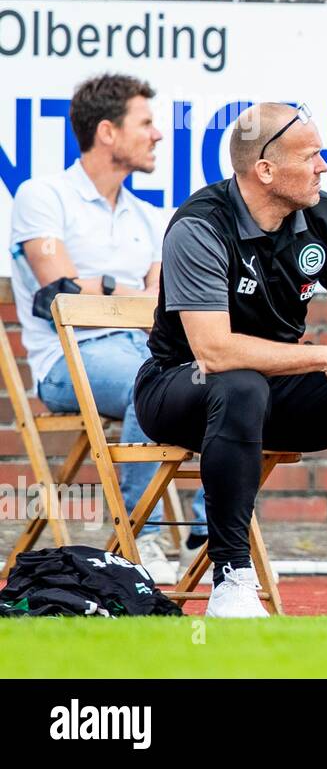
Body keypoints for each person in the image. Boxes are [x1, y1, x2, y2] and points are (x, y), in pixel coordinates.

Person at [133, 102, 327, 618]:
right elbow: (213, 350)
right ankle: (231, 578)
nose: (324, 166)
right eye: (313, 155)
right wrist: (323, 357)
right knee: (240, 386)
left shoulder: (323, 214)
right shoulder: (199, 224)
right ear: (265, 170)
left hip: (269, 391)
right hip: (181, 386)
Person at [9, 73, 202, 584]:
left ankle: (209, 535)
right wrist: (128, 292)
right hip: (66, 362)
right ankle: (142, 539)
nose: (158, 135)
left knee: (221, 377)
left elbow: (167, 305)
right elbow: (61, 299)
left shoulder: (150, 214)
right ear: (107, 133)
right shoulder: (42, 195)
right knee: (153, 380)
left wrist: (100, 288)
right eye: (145, 123)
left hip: (140, 351)